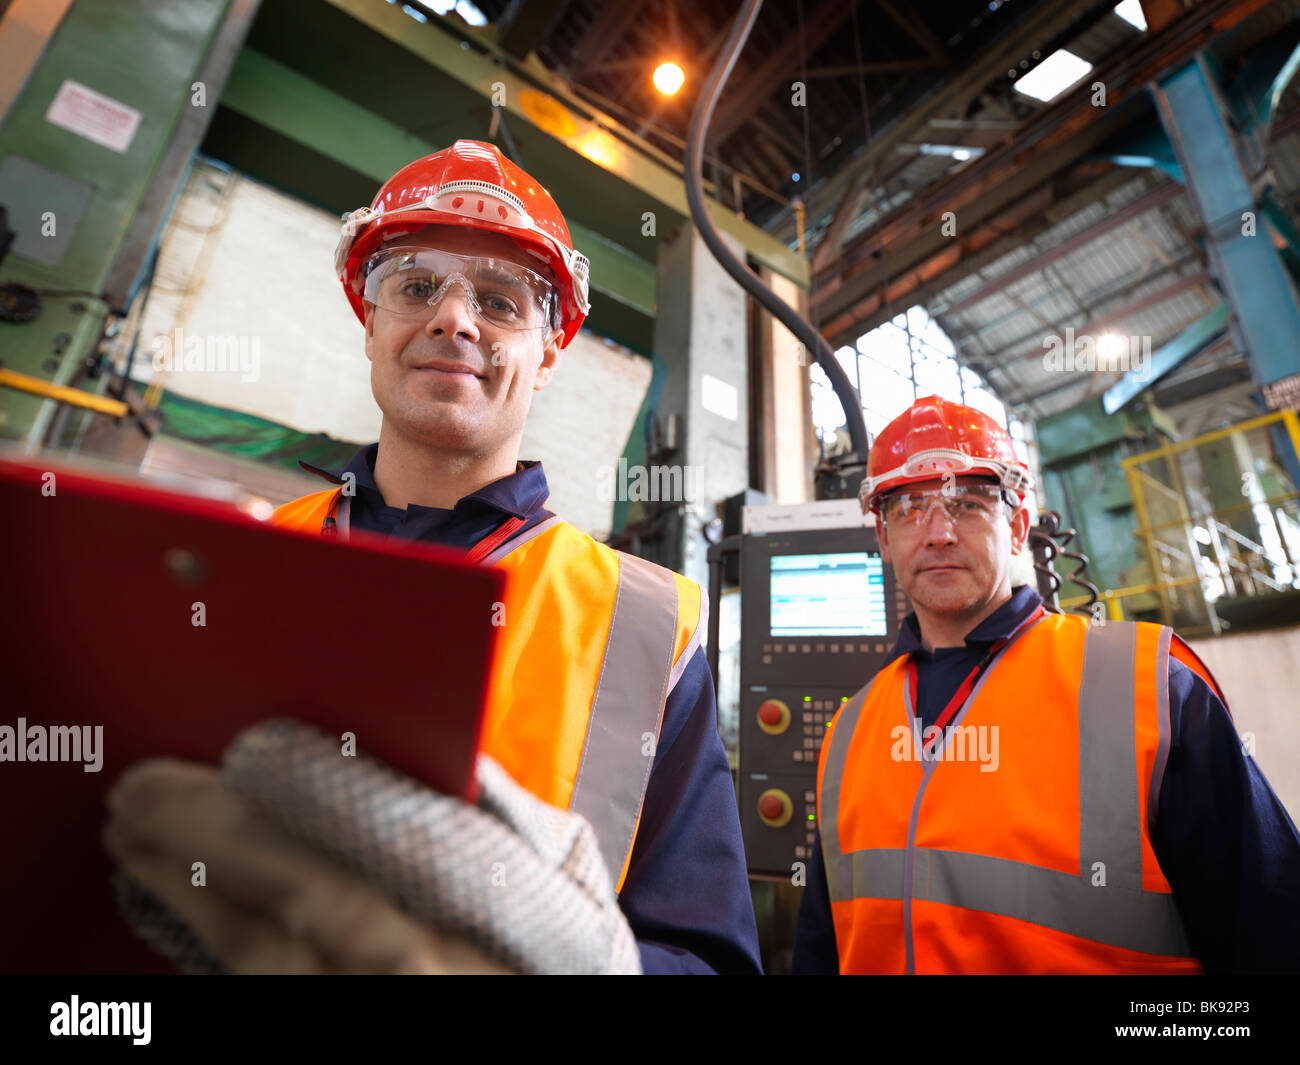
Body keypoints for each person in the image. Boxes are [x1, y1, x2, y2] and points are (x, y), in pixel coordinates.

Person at [106, 140, 760, 975]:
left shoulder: (647, 624)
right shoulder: (245, 558)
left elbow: (713, 960)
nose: (455, 318)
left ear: (550, 352)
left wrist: (600, 968)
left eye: (500, 299)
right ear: (369, 319)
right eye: (417, 285)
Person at [792, 394, 1300, 974]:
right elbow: (821, 946)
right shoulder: (851, 729)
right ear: (882, 538)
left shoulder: (1146, 689)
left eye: (967, 503)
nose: (936, 532)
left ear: (1016, 525)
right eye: (909, 507)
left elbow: (1274, 934)